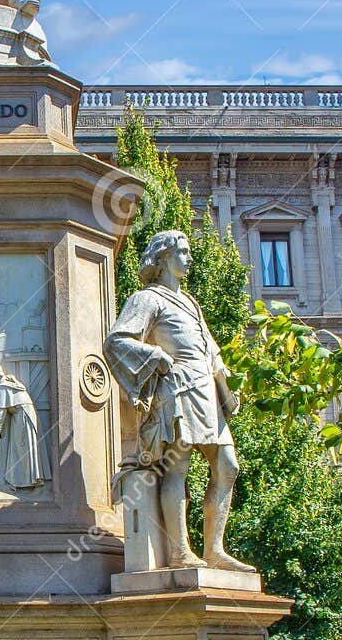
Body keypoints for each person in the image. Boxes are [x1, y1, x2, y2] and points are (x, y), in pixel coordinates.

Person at [103, 228, 247, 571]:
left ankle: (214, 550)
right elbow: (117, 341)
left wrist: (225, 389)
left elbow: (211, 351)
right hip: (178, 390)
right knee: (176, 468)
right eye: (182, 251)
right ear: (163, 257)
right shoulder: (147, 298)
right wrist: (156, 356)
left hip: (206, 393)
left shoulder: (191, 302)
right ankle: (181, 551)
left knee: (228, 467)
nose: (189, 257)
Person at [0, 362, 50, 491]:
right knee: (21, 449)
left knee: (22, 448)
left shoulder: (3, 386)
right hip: (23, 416)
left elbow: (0, 414)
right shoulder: (10, 383)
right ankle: (21, 481)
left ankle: (33, 483)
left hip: (22, 418)